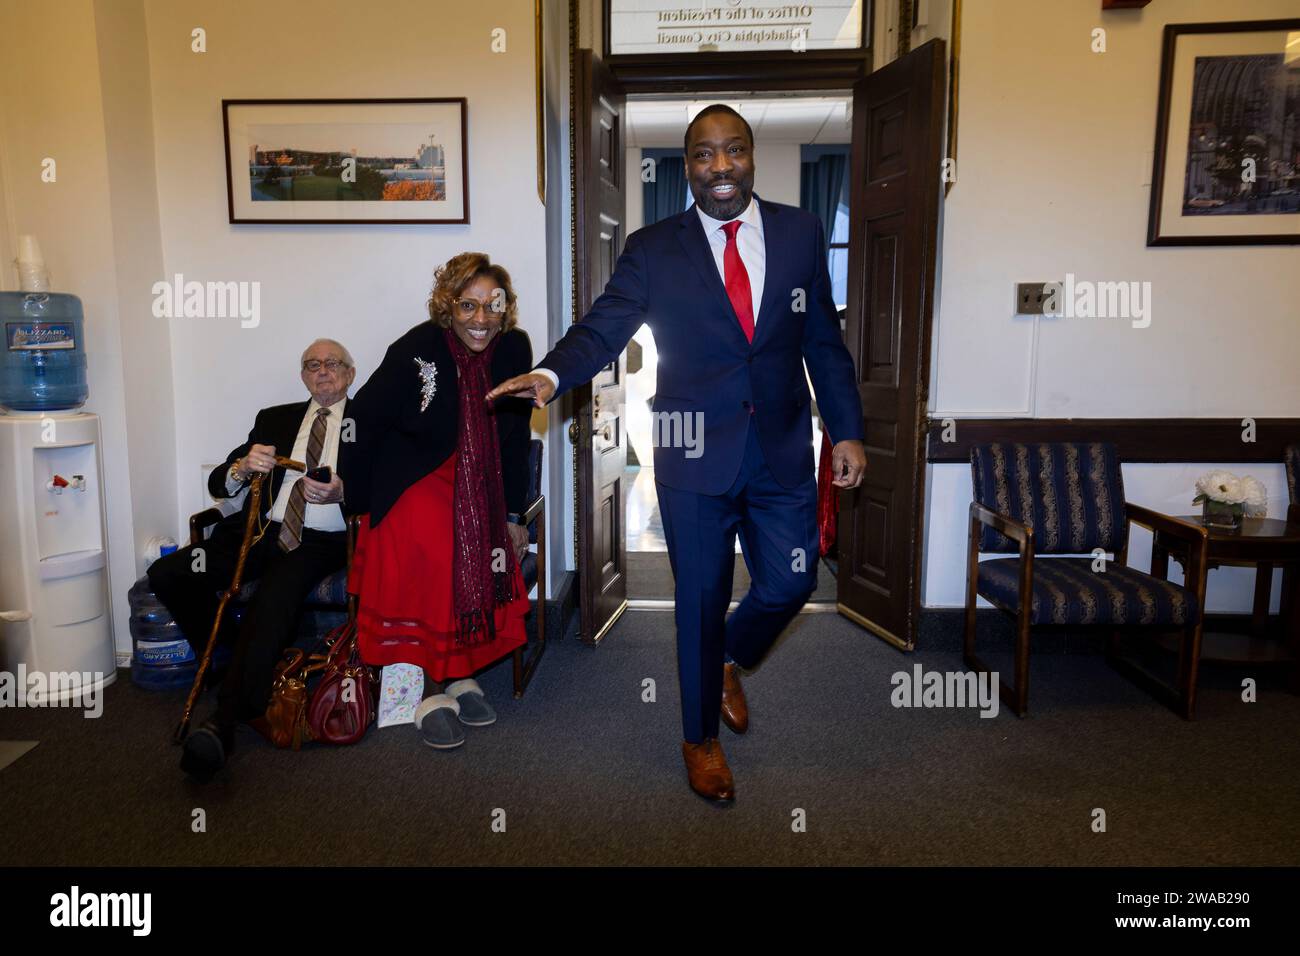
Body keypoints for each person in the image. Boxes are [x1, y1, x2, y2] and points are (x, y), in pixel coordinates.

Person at [488, 105, 868, 803]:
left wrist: (845, 429)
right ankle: (699, 739)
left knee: (792, 583)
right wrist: (550, 374)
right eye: (702, 155)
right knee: (697, 599)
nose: (720, 167)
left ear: (751, 156)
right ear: (686, 165)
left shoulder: (801, 233)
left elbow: (822, 342)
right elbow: (603, 327)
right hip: (692, 455)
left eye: (732, 151)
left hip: (780, 450)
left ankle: (731, 656)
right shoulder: (653, 247)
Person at [340, 252, 534, 751]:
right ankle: (426, 690)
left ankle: (459, 673)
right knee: (440, 551)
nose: (481, 319)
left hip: (480, 482)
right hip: (413, 480)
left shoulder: (514, 350)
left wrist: (513, 514)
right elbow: (361, 419)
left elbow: (512, 439)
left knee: (478, 550)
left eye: (493, 305)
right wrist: (359, 502)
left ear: (506, 308)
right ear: (448, 305)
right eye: (468, 305)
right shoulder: (419, 346)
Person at [149, 338, 355, 780]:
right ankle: (223, 655)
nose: (322, 371)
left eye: (332, 363)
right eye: (312, 365)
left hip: (320, 539)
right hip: (258, 531)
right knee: (169, 572)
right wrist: (243, 467)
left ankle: (226, 719)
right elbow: (221, 486)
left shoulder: (367, 422)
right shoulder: (274, 419)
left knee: (275, 595)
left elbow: (384, 488)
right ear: (302, 375)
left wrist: (343, 493)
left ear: (349, 373)